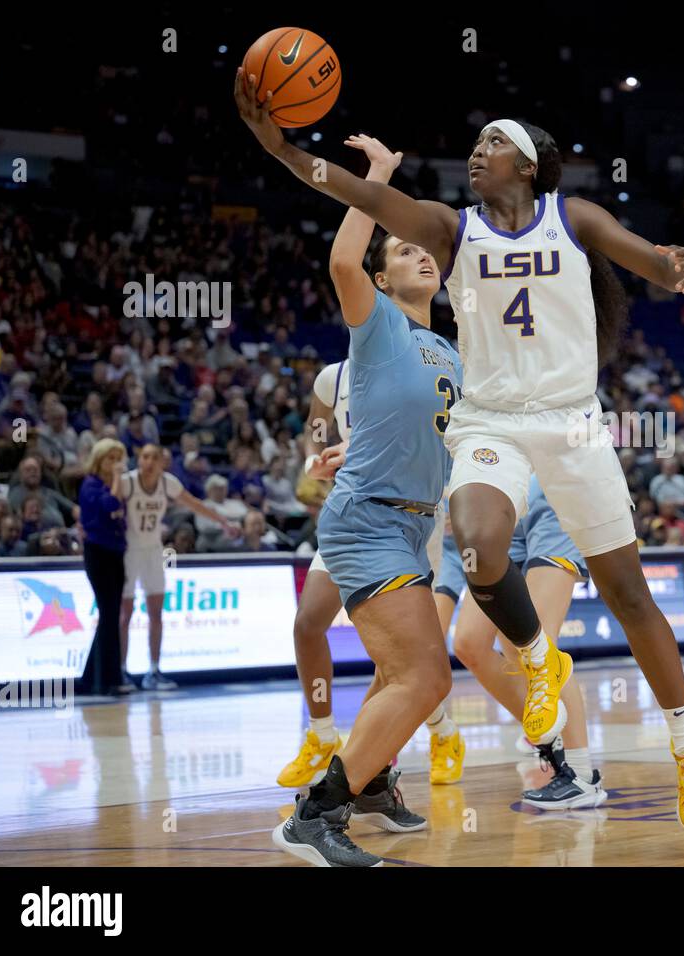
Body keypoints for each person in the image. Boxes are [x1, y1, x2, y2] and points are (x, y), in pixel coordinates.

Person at [236, 81, 684, 830]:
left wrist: (675, 265)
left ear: (528, 166)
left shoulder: (574, 216)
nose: (477, 155)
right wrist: (283, 150)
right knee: (478, 541)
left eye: (494, 144)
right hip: (491, 421)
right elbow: (356, 191)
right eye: (475, 145)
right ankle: (536, 660)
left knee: (629, 594)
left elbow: (652, 264)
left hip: (572, 422)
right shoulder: (450, 229)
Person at [264, 132, 463, 866]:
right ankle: (316, 815)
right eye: (405, 251)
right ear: (382, 282)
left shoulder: (452, 352)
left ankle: (371, 780)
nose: (422, 253)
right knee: (426, 675)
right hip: (367, 521)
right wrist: (376, 177)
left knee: (396, 674)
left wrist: (370, 439)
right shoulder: (376, 325)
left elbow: (444, 435)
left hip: (416, 526)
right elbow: (344, 259)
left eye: (425, 249)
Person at [444, 477, 605, 809]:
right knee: (470, 643)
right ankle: (550, 736)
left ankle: (581, 775)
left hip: (552, 493)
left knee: (540, 641)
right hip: (501, 497)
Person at [117, 443, 238, 690]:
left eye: (154, 458)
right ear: (139, 459)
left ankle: (153, 670)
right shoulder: (126, 482)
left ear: (163, 463)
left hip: (154, 552)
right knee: (125, 615)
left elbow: (194, 503)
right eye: (144, 457)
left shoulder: (167, 482)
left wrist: (223, 521)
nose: (148, 462)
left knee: (156, 614)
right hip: (128, 552)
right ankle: (120, 671)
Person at [77, 438, 129, 696]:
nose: (116, 464)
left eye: (119, 459)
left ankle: (97, 678)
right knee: (108, 616)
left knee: (111, 617)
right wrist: (118, 481)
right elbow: (110, 506)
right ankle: (104, 680)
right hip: (98, 554)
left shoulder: (114, 484)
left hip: (117, 553)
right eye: (111, 458)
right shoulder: (91, 485)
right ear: (99, 460)